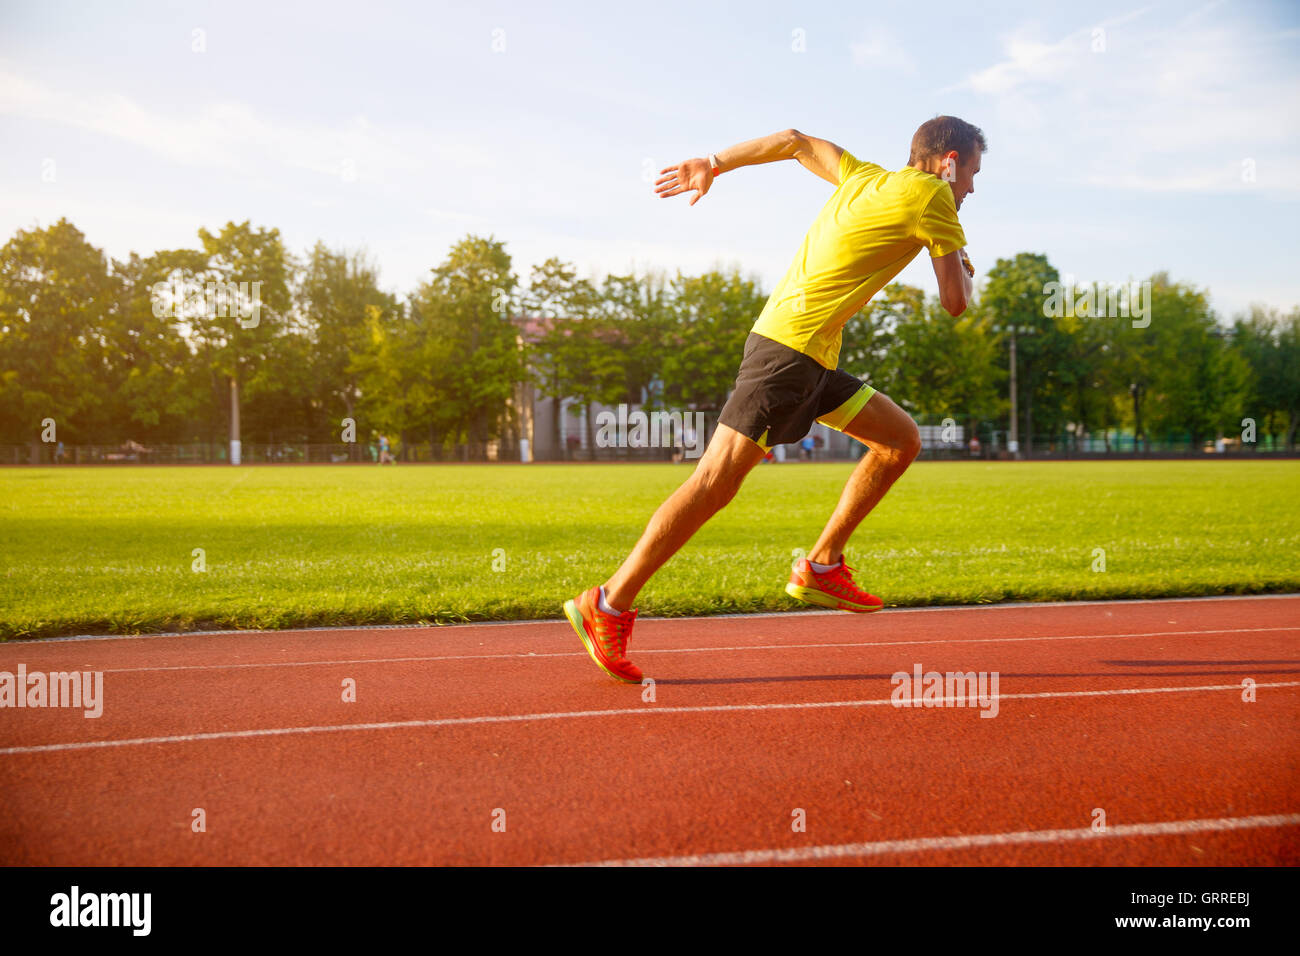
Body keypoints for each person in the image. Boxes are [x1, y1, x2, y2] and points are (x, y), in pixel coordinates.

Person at [564, 118, 983, 683]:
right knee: (713, 483)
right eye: (972, 174)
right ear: (949, 161)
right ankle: (608, 603)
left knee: (899, 440)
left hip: (813, 355)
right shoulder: (935, 196)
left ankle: (822, 563)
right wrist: (962, 263)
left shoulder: (863, 178)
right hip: (787, 353)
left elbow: (794, 141)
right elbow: (956, 303)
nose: (972, 189)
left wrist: (713, 162)